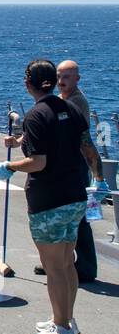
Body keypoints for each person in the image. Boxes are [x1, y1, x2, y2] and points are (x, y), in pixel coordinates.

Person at [0, 59, 90, 334]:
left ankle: (61, 328)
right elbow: (86, 146)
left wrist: (10, 167)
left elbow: (38, 163)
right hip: (75, 196)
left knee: (54, 267)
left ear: (28, 84)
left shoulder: (36, 115)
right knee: (66, 263)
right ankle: (66, 319)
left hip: (49, 201)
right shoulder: (70, 109)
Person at [52, 60, 108, 284]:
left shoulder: (76, 103)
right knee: (61, 218)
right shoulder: (63, 100)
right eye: (59, 76)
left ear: (77, 79)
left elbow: (83, 141)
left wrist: (99, 177)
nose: (61, 81)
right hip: (63, 167)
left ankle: (85, 267)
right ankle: (58, 263)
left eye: (66, 77)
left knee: (79, 220)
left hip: (75, 167)